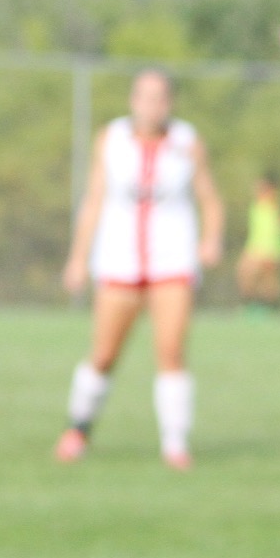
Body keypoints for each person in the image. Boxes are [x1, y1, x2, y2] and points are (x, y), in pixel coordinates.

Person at [57, 68, 225, 469]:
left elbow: (210, 199)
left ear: (171, 101)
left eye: (160, 97)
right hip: (118, 260)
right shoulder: (110, 139)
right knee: (103, 354)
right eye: (145, 96)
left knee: (171, 353)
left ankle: (175, 444)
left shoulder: (187, 141)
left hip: (172, 261)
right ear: (133, 100)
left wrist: (211, 238)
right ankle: (78, 428)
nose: (152, 105)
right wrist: (78, 258)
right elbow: (94, 199)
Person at [237, 173, 280, 315]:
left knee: (268, 283)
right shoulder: (256, 206)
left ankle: (269, 309)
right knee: (246, 275)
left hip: (270, 249)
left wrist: (277, 252)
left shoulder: (274, 207)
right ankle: (253, 306)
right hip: (254, 247)